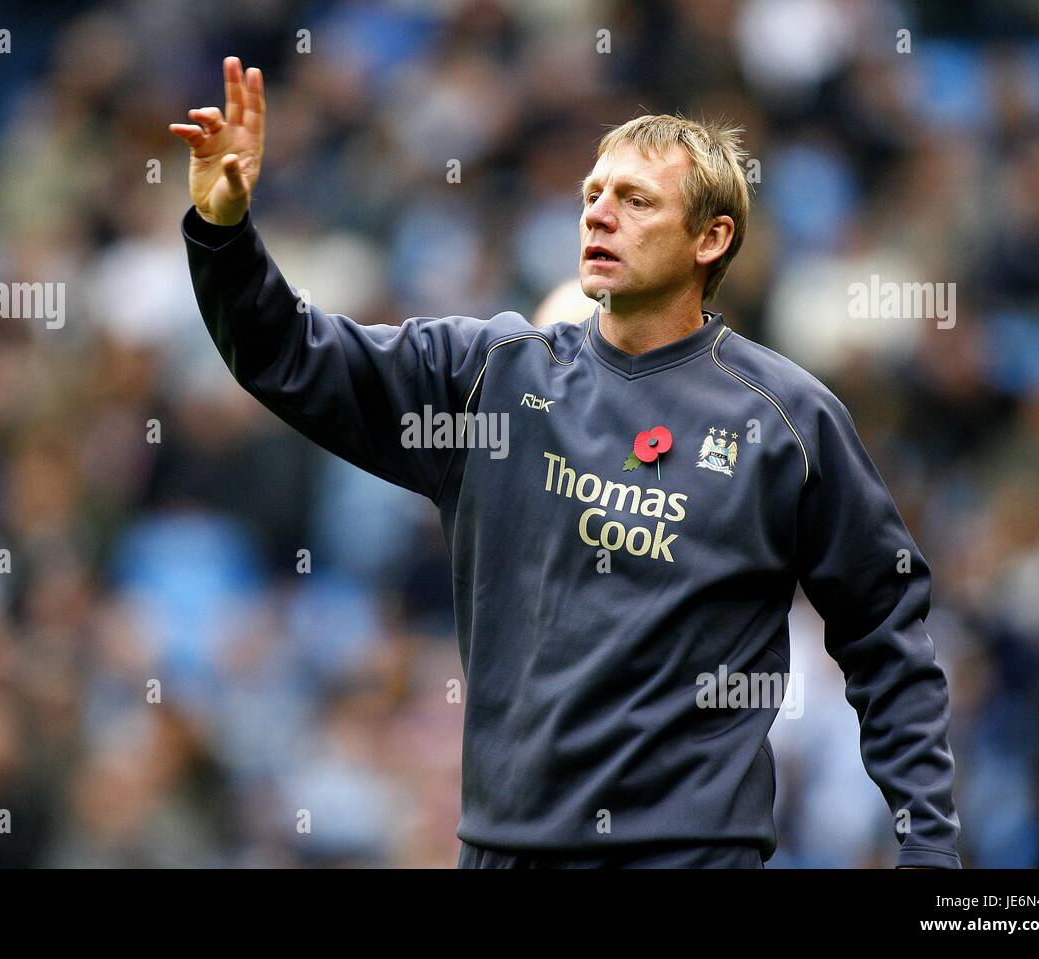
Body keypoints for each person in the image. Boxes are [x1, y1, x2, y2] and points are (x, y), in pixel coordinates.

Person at [169, 56, 961, 869]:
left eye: (635, 200)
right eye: (592, 195)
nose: (598, 216)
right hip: (504, 853)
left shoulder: (788, 421)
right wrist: (223, 230)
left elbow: (886, 637)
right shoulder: (489, 376)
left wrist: (928, 845)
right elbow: (288, 355)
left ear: (711, 238)